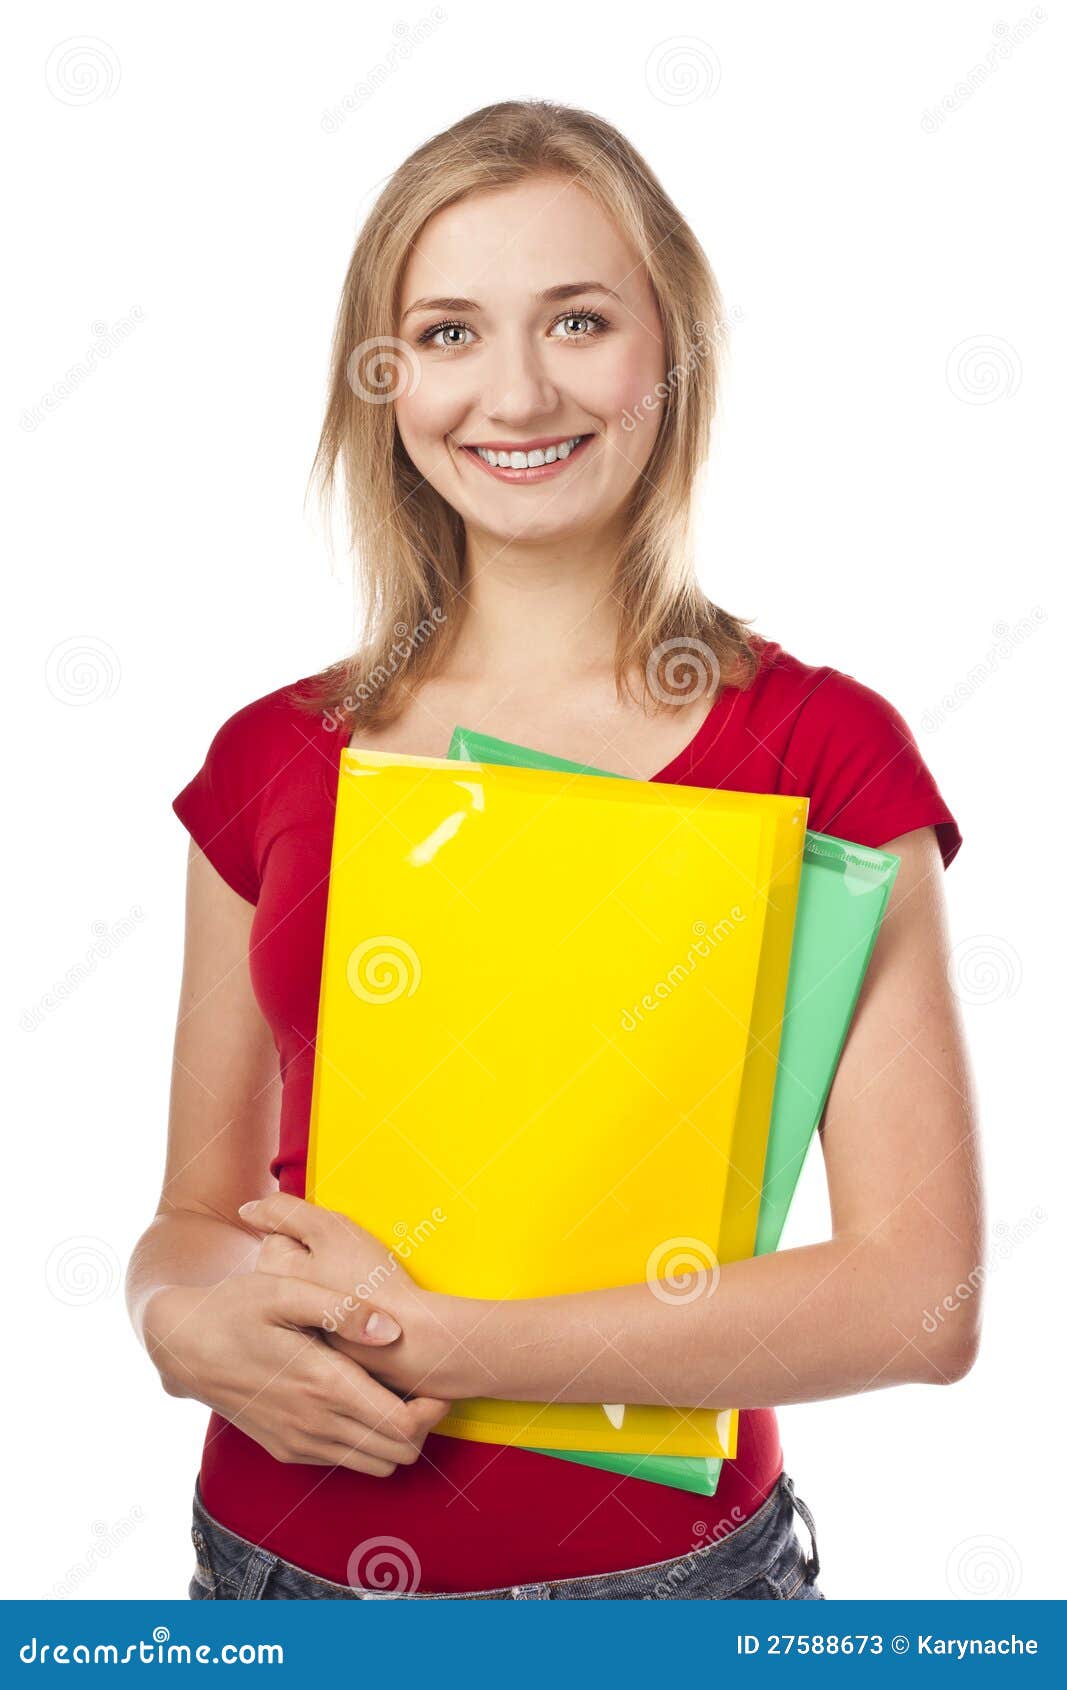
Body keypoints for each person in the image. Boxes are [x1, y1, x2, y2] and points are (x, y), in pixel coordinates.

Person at [125, 100, 982, 1601]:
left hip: (672, 1589)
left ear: (674, 352)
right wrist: (166, 1317)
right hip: (271, 1573)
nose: (514, 394)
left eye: (577, 320)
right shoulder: (272, 757)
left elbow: (922, 1300)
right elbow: (197, 1224)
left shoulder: (820, 755)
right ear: (382, 382)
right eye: (448, 333)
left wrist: (454, 1348)